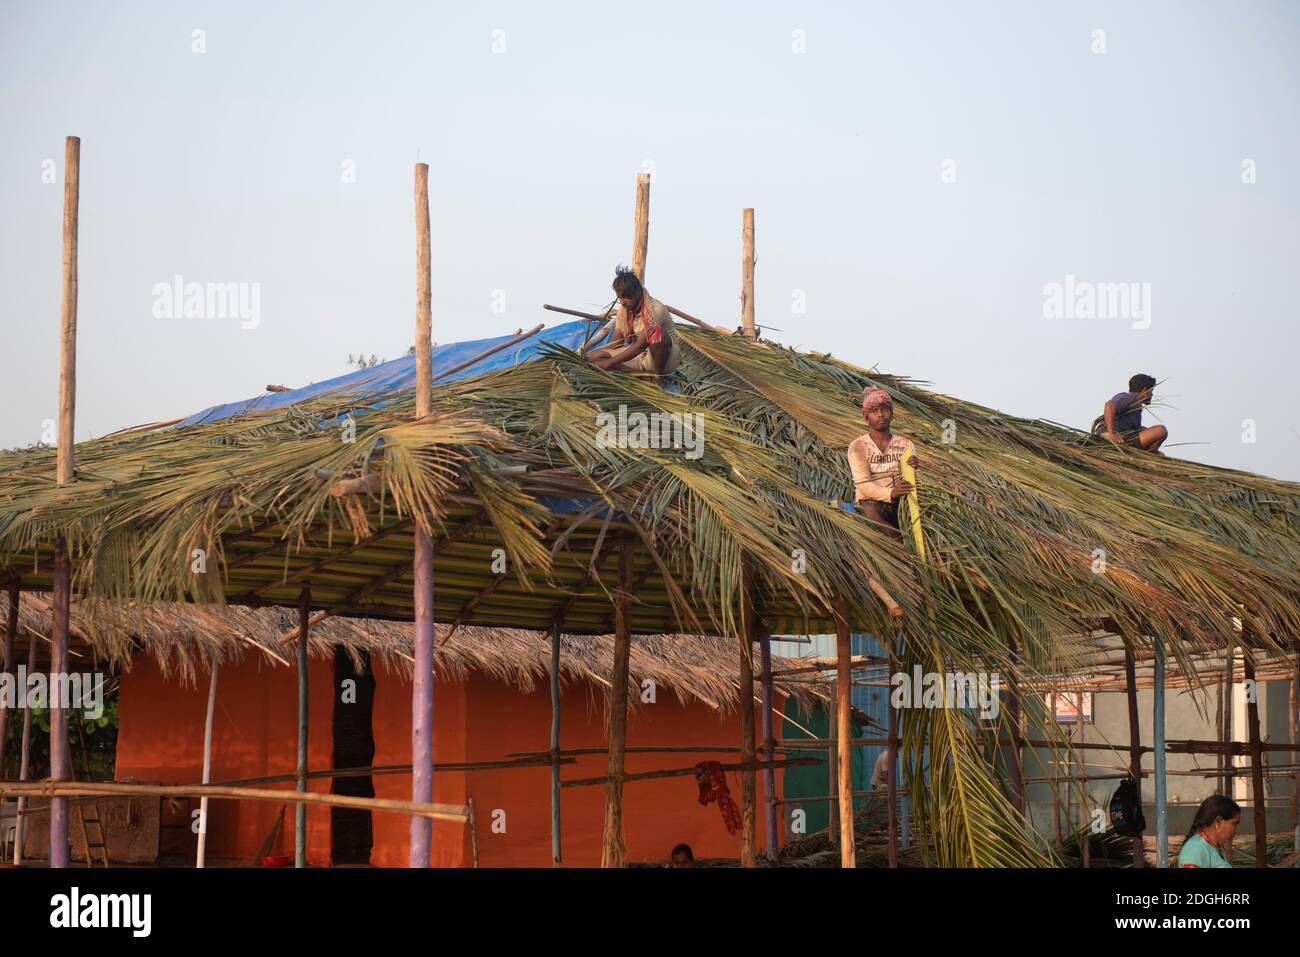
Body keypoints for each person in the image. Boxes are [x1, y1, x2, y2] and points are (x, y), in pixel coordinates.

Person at [585, 266, 682, 378]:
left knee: (655, 332)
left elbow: (640, 346)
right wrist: (599, 355)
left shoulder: (655, 309)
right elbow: (617, 342)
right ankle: (643, 376)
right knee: (591, 358)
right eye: (620, 298)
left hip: (661, 361)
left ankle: (657, 377)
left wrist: (608, 363)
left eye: (626, 298)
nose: (622, 302)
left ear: (637, 292)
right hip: (638, 357)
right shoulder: (624, 310)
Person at [847, 388, 918, 538]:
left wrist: (916, 468)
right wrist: (890, 493)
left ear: (891, 414)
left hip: (900, 499)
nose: (880, 414)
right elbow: (863, 485)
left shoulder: (905, 445)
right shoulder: (858, 447)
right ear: (866, 417)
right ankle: (901, 546)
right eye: (874, 410)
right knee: (871, 510)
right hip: (871, 502)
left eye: (885, 409)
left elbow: (912, 479)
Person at [1095, 373, 1168, 452]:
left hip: (1125, 438)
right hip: (1116, 438)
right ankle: (1149, 454)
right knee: (1161, 430)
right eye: (1151, 391)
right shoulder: (1132, 397)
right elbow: (1109, 405)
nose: (1152, 394)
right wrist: (1111, 433)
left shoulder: (1136, 407)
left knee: (1148, 431)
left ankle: (1151, 453)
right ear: (1145, 390)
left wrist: (1142, 429)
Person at [1177, 794, 1240, 868]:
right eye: (1234, 824)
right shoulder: (1196, 849)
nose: (1236, 831)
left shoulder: (1214, 848)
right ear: (1218, 821)